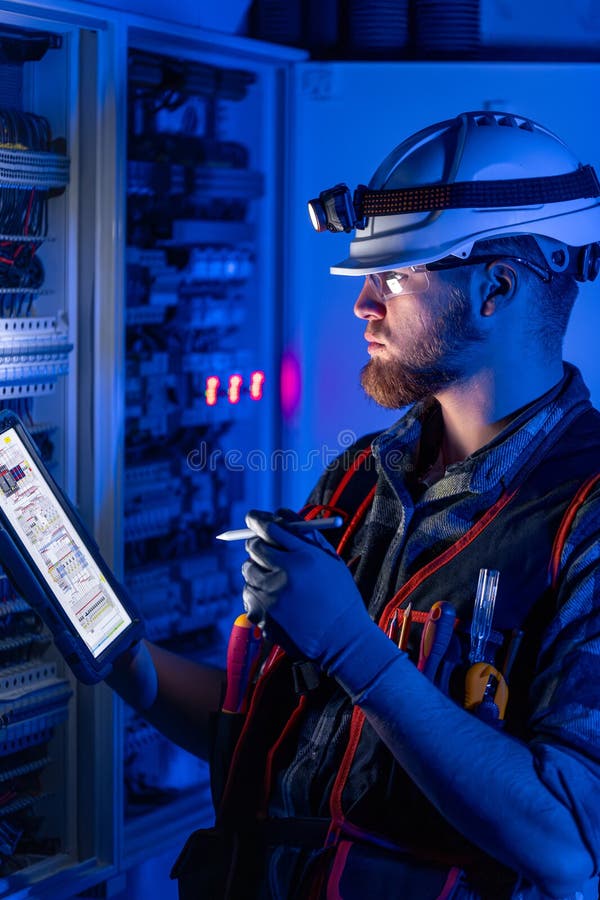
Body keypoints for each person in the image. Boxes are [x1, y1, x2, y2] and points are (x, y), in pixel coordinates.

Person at [111, 111, 600, 899]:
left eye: (395, 276)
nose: (364, 304)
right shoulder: (361, 478)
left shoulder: (584, 519)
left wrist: (351, 645)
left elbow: (567, 842)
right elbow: (275, 731)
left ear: (497, 288)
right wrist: (128, 666)